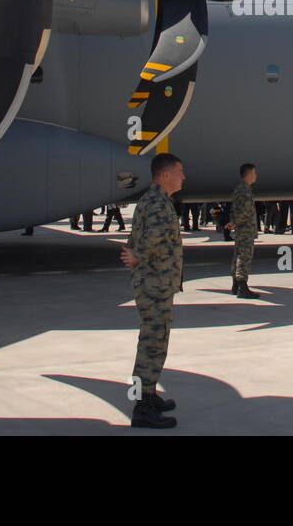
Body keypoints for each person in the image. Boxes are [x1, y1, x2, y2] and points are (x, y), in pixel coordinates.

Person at [119, 153, 185, 429]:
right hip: (154, 284)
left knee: (156, 340)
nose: (184, 176)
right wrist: (137, 256)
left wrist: (136, 254)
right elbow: (151, 239)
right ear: (166, 175)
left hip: (156, 281)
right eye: (180, 171)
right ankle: (143, 407)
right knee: (152, 343)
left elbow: (139, 239)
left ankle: (149, 394)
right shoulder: (157, 202)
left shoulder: (155, 199)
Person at [227, 163, 260, 298]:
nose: (256, 175)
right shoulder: (245, 191)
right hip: (246, 229)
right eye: (254, 173)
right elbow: (245, 212)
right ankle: (242, 287)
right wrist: (235, 222)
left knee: (238, 255)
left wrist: (233, 222)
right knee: (244, 257)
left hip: (241, 229)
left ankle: (235, 285)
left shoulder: (238, 189)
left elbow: (234, 209)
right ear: (249, 174)